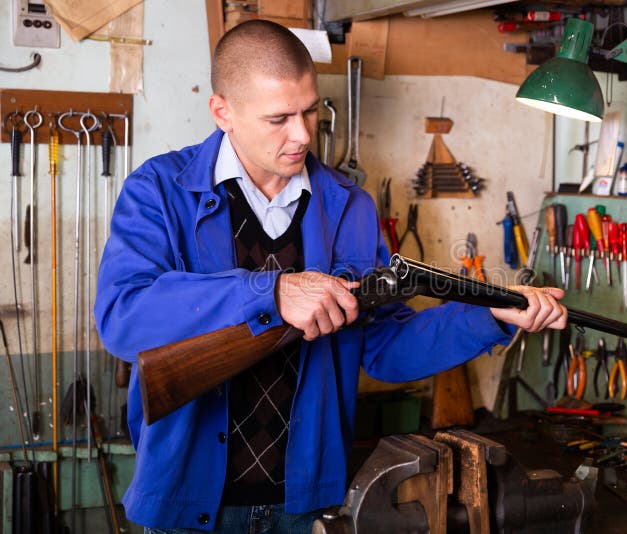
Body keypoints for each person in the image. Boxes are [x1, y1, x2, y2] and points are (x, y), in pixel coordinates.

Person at [94, 19, 567, 533]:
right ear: (222, 111)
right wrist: (271, 290)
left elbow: (384, 346)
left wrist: (490, 317)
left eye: (310, 111)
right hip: (185, 505)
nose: (302, 135)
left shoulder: (350, 207)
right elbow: (123, 317)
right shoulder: (160, 190)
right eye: (279, 118)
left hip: (305, 504)